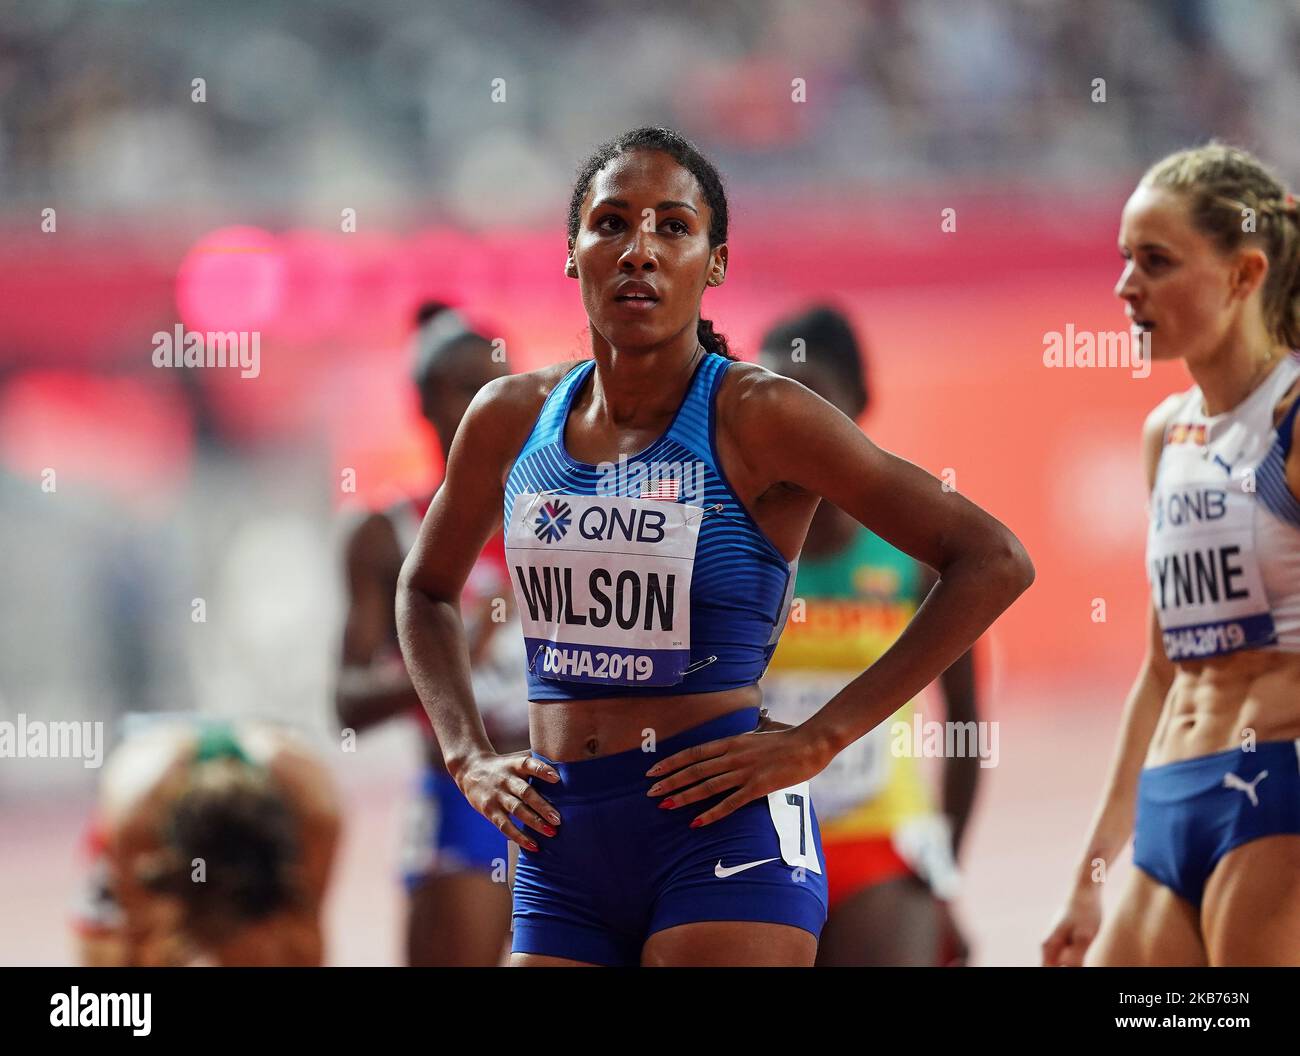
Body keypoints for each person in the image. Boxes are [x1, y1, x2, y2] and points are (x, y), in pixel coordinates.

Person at [397, 126, 1034, 968]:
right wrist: (467, 754)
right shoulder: (511, 417)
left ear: (716, 262)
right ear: (573, 252)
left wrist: (819, 737)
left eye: (673, 226)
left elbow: (991, 558)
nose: (639, 250)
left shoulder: (760, 414)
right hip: (563, 840)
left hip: (722, 832)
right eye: (613, 222)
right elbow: (426, 592)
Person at [1043, 143, 1300, 967]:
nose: (1126, 287)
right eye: (1125, 260)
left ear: (1242, 274)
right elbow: (1161, 670)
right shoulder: (1169, 434)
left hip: (1275, 798)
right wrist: (1091, 874)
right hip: (1173, 806)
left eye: (1156, 262)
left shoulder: (1293, 422)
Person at [757, 305, 977, 966]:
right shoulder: (728, 546)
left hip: (881, 843)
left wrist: (944, 877)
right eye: (772, 398)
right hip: (754, 841)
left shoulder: (912, 552)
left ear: (858, 403)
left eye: (813, 397)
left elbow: (965, 721)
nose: (793, 422)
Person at [335, 302, 528, 966]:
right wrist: (446, 657)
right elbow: (348, 702)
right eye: (462, 386)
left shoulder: (561, 520)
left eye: (496, 385)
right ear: (422, 401)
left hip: (574, 791)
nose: (482, 404)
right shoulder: (384, 534)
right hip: (465, 797)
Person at [72, 715, 339, 967]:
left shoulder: (316, 812)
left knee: (287, 949)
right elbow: (136, 944)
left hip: (274, 798)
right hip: (150, 794)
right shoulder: (136, 821)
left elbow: (306, 935)